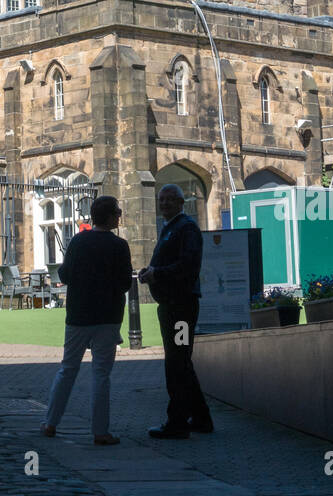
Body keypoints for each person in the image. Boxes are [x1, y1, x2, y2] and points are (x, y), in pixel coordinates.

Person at [40, 195, 133, 447]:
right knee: (101, 373)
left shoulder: (78, 241)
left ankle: (50, 423)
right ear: (112, 216)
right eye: (118, 212)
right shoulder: (119, 246)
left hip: (79, 314)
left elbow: (65, 274)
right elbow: (125, 282)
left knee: (68, 368)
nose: (120, 216)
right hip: (108, 315)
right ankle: (100, 431)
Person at [139, 184, 213, 439]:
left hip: (181, 307)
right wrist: (150, 271)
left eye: (171, 199)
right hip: (171, 306)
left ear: (182, 203)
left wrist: (157, 273)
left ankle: (177, 422)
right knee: (181, 361)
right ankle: (202, 418)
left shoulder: (186, 227)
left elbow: (189, 265)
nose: (166, 203)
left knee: (177, 362)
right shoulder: (171, 227)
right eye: (162, 199)